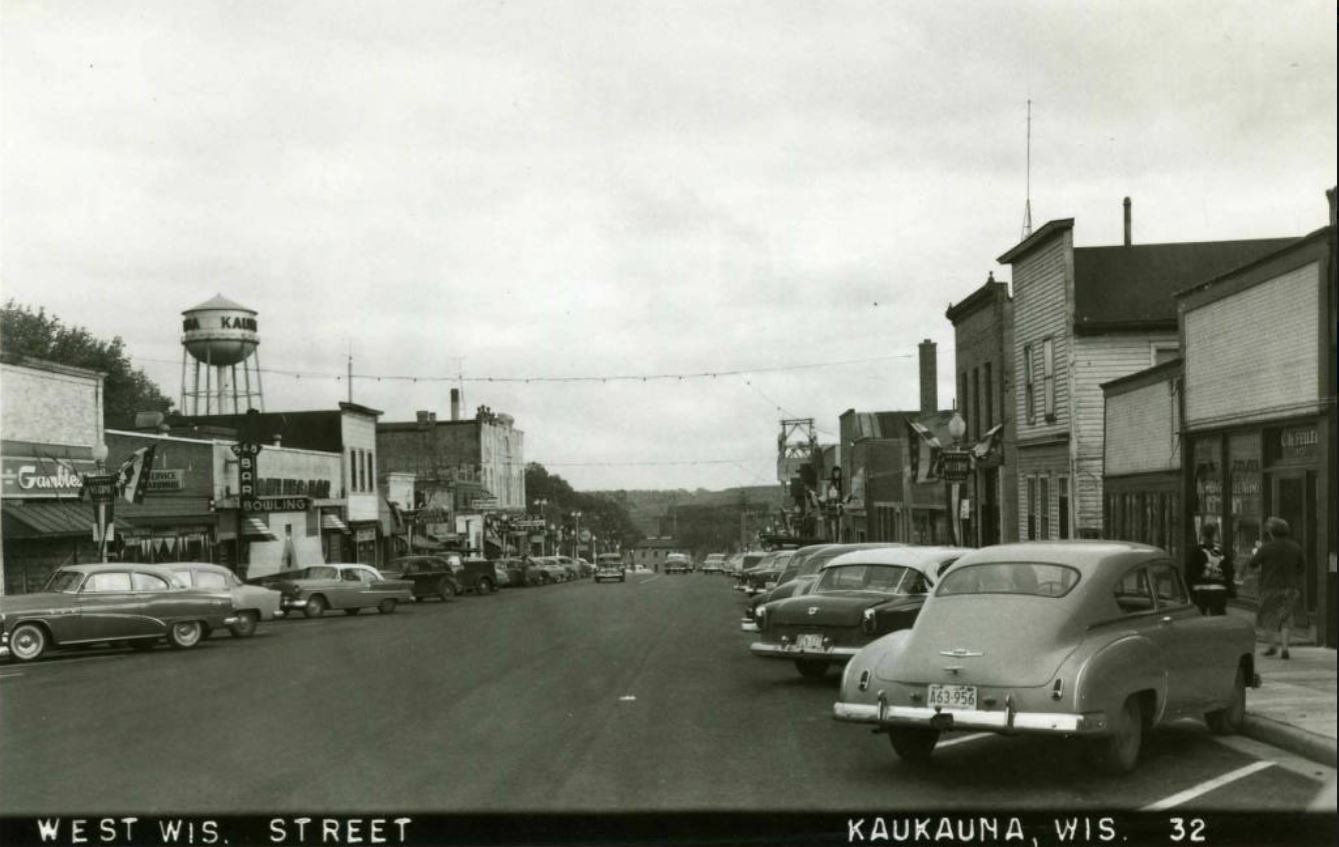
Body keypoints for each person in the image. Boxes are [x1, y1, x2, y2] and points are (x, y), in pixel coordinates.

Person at [1247, 516, 1306, 659]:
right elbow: (1302, 567)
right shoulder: (1295, 546)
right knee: (1286, 616)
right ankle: (1285, 648)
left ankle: (1272, 646)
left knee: (1267, 615)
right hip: (1291, 588)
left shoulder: (1267, 547)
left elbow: (1253, 563)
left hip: (1270, 586)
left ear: (1271, 532)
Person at [1186, 523, 1234, 616]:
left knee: (1200, 618)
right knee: (1218, 618)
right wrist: (1228, 587)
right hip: (1219, 591)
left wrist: (1189, 590)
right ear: (1214, 535)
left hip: (1200, 591)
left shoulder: (1196, 552)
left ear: (1203, 535)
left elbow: (1189, 573)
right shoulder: (1221, 552)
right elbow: (1229, 571)